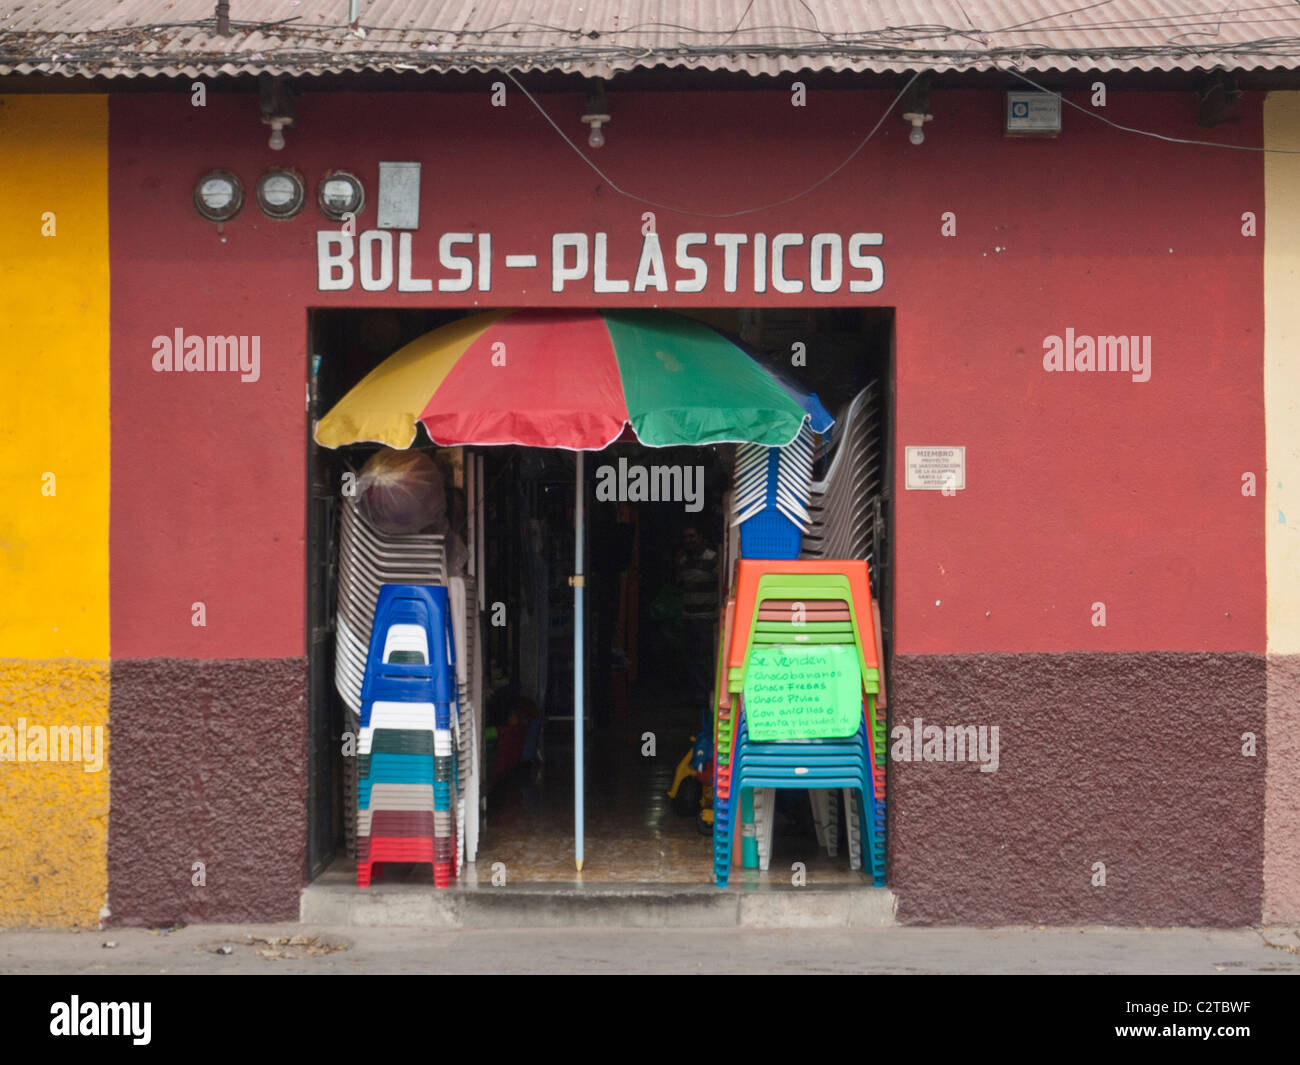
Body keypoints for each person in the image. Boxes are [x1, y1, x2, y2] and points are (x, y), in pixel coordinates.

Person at [675, 526, 720, 713]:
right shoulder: (684, 560)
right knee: (691, 658)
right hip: (688, 616)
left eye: (692, 536)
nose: (689, 541)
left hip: (706, 618)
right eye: (686, 537)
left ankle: (705, 698)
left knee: (704, 658)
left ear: (700, 537)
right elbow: (679, 583)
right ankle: (698, 697)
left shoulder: (712, 558)